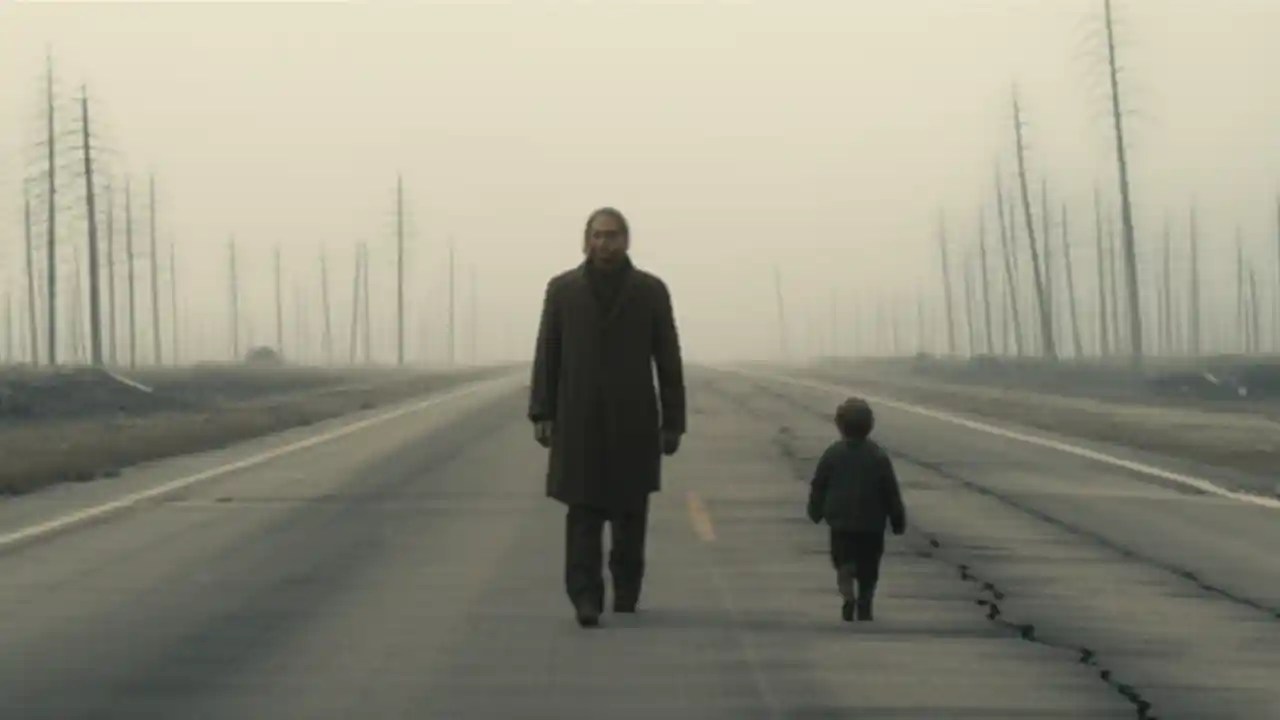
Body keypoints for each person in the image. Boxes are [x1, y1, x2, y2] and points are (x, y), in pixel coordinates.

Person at [529, 207, 686, 628]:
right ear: (586, 240)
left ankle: (627, 590)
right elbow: (549, 353)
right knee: (582, 513)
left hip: (634, 419)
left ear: (626, 240)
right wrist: (542, 412)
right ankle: (585, 597)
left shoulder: (651, 291)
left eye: (613, 236)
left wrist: (673, 422)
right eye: (598, 236)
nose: (605, 243)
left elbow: (668, 359)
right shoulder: (563, 290)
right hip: (578, 418)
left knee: (630, 513)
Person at [807, 397, 906, 622]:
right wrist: (897, 519)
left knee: (841, 560)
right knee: (870, 567)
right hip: (872, 523)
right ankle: (865, 602)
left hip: (840, 521)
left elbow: (819, 484)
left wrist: (815, 509)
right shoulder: (878, 456)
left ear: (840, 424)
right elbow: (890, 491)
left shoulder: (832, 454)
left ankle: (847, 588)